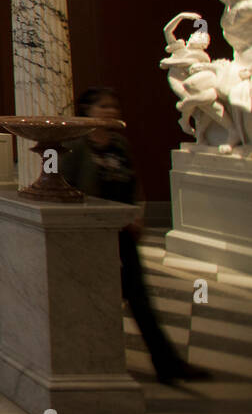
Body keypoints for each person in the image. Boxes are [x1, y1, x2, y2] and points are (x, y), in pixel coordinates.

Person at [59, 87, 208, 384]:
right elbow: (63, 187)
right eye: (104, 106)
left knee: (140, 300)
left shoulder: (119, 145)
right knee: (93, 300)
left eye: (114, 105)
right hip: (93, 237)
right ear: (87, 110)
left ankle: (167, 363)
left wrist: (137, 213)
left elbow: (134, 180)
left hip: (124, 234)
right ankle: (83, 361)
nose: (111, 111)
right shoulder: (75, 148)